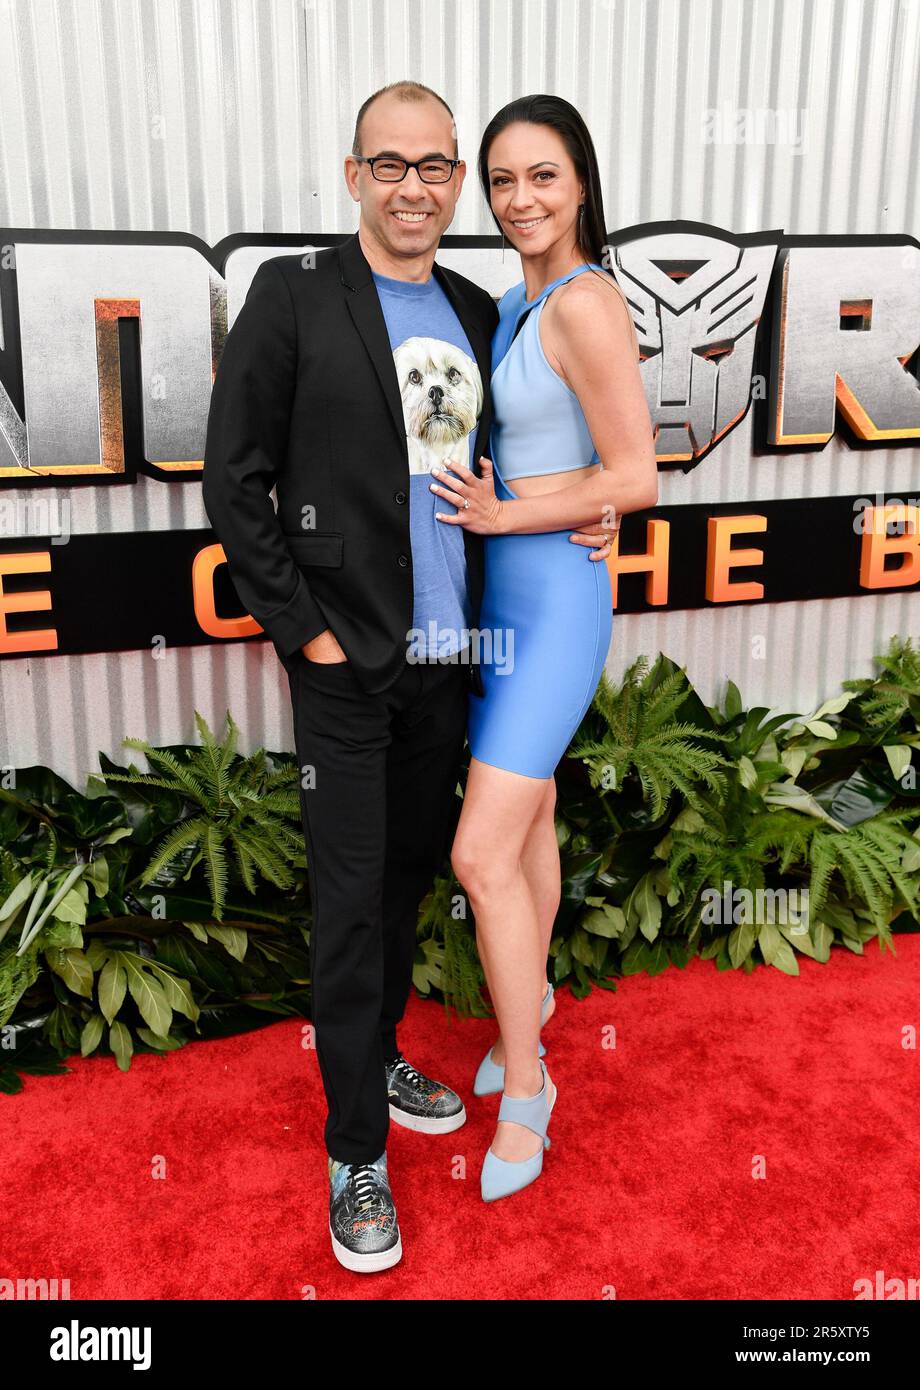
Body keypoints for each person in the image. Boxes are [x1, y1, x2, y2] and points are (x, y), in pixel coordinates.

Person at [202, 81, 612, 1272]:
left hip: (452, 661)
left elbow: (527, 457)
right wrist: (306, 633)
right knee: (344, 907)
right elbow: (237, 483)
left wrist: (582, 512)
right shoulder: (291, 295)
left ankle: (377, 1051)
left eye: (438, 166)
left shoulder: (483, 308)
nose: (416, 186)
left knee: (401, 888)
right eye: (392, 164)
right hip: (346, 663)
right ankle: (354, 1154)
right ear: (352, 176)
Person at [429, 95, 658, 1201]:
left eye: (544, 178)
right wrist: (527, 506)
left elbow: (634, 478)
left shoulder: (584, 304)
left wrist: (501, 513)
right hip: (501, 602)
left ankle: (526, 1087)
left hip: (557, 602)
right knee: (527, 831)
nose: (521, 200)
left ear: (580, 185)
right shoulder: (517, 303)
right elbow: (568, 465)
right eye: (504, 180)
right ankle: (535, 1005)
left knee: (478, 854)